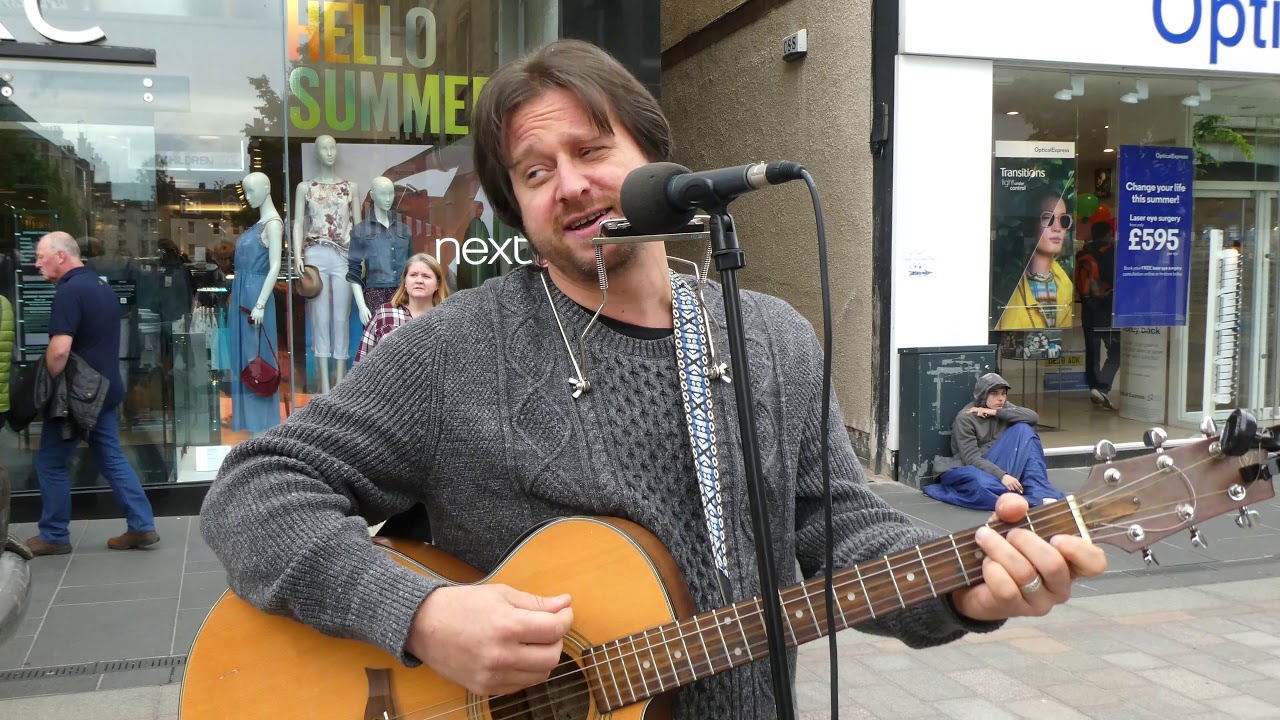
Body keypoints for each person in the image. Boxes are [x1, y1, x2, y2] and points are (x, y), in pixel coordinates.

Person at [200, 40, 1105, 718]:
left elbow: (839, 528)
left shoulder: (771, 337)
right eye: (535, 172)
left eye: (593, 151)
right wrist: (421, 614)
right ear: (516, 207)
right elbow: (255, 487)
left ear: (654, 159)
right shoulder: (455, 350)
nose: (571, 185)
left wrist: (960, 589)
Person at [27, 231, 159, 556]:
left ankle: (54, 535)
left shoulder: (69, 292)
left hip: (77, 397)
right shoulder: (100, 286)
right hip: (104, 391)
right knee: (111, 457)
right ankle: (141, 525)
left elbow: (60, 350)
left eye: (41, 256)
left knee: (50, 462)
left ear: (61, 256)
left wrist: (46, 385)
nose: (37, 263)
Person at [925, 373, 1066, 512]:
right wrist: (1002, 476)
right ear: (982, 395)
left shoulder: (1004, 409)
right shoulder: (966, 418)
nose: (1000, 398)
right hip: (976, 466)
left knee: (1024, 429)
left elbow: (1032, 417)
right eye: (994, 394)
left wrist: (994, 412)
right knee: (980, 484)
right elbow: (971, 458)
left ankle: (1037, 492)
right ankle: (1024, 497)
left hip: (1002, 461)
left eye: (1003, 394)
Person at [995, 190, 1076, 330]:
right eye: (1047, 218)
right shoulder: (1008, 285)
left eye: (1064, 220)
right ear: (1031, 225)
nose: (1057, 228)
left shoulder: (1066, 287)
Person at [355, 253, 449, 362]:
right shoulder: (384, 313)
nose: (419, 280)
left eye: (426, 276)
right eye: (413, 275)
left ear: (437, 284)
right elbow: (361, 362)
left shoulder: (446, 319)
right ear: (405, 281)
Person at [1076, 220, 1120, 410]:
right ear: (1109, 234)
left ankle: (1094, 387)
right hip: (1107, 309)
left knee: (1092, 352)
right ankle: (1102, 388)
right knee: (1117, 350)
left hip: (1088, 309)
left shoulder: (1082, 253)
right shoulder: (1110, 253)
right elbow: (1115, 279)